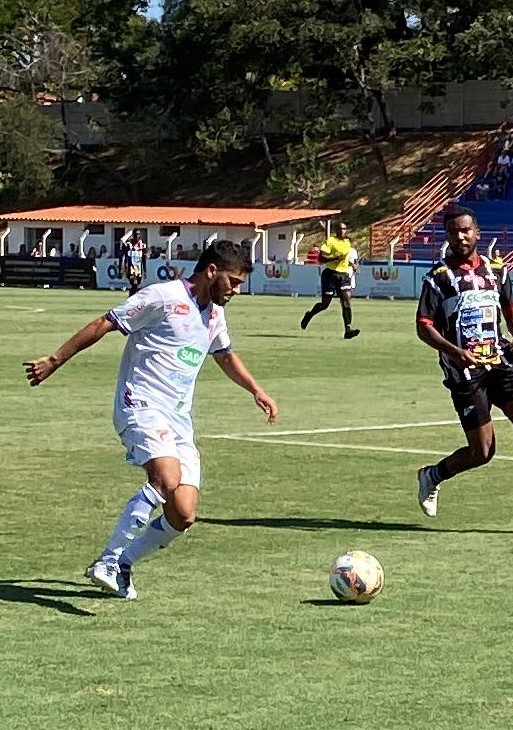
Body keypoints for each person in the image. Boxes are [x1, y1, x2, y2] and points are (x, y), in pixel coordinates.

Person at [23, 241, 278, 598]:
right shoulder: (161, 297)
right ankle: (108, 561)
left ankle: (123, 562)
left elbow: (223, 355)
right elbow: (105, 322)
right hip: (139, 404)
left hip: (178, 420)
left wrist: (256, 390)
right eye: (233, 281)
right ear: (211, 271)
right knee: (166, 476)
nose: (237, 290)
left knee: (184, 513)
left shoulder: (215, 315)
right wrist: (55, 360)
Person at [413, 205, 513, 538]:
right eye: (453, 232)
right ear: (448, 237)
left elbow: (510, 308)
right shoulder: (438, 278)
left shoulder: (498, 271)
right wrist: (456, 352)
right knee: (483, 452)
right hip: (464, 371)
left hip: (500, 359)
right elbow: (423, 326)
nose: (460, 236)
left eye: (466, 230)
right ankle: (433, 475)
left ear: (477, 233)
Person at [300, 221, 361, 339]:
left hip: (344, 275)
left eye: (344, 229)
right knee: (324, 304)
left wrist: (351, 264)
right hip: (330, 274)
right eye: (339, 229)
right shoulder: (330, 241)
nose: (342, 231)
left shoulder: (347, 243)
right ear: (336, 230)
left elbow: (345, 259)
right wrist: (336, 257)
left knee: (346, 302)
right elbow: (321, 258)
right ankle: (309, 315)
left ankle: (348, 329)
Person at [119, 229, 147, 296]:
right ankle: (131, 298)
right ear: (133, 235)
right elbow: (122, 254)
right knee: (134, 283)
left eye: (139, 234)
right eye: (136, 234)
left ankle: (132, 297)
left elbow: (143, 258)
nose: (138, 236)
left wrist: (145, 270)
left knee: (137, 284)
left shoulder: (141, 244)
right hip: (130, 267)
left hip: (138, 267)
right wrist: (122, 268)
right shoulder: (129, 244)